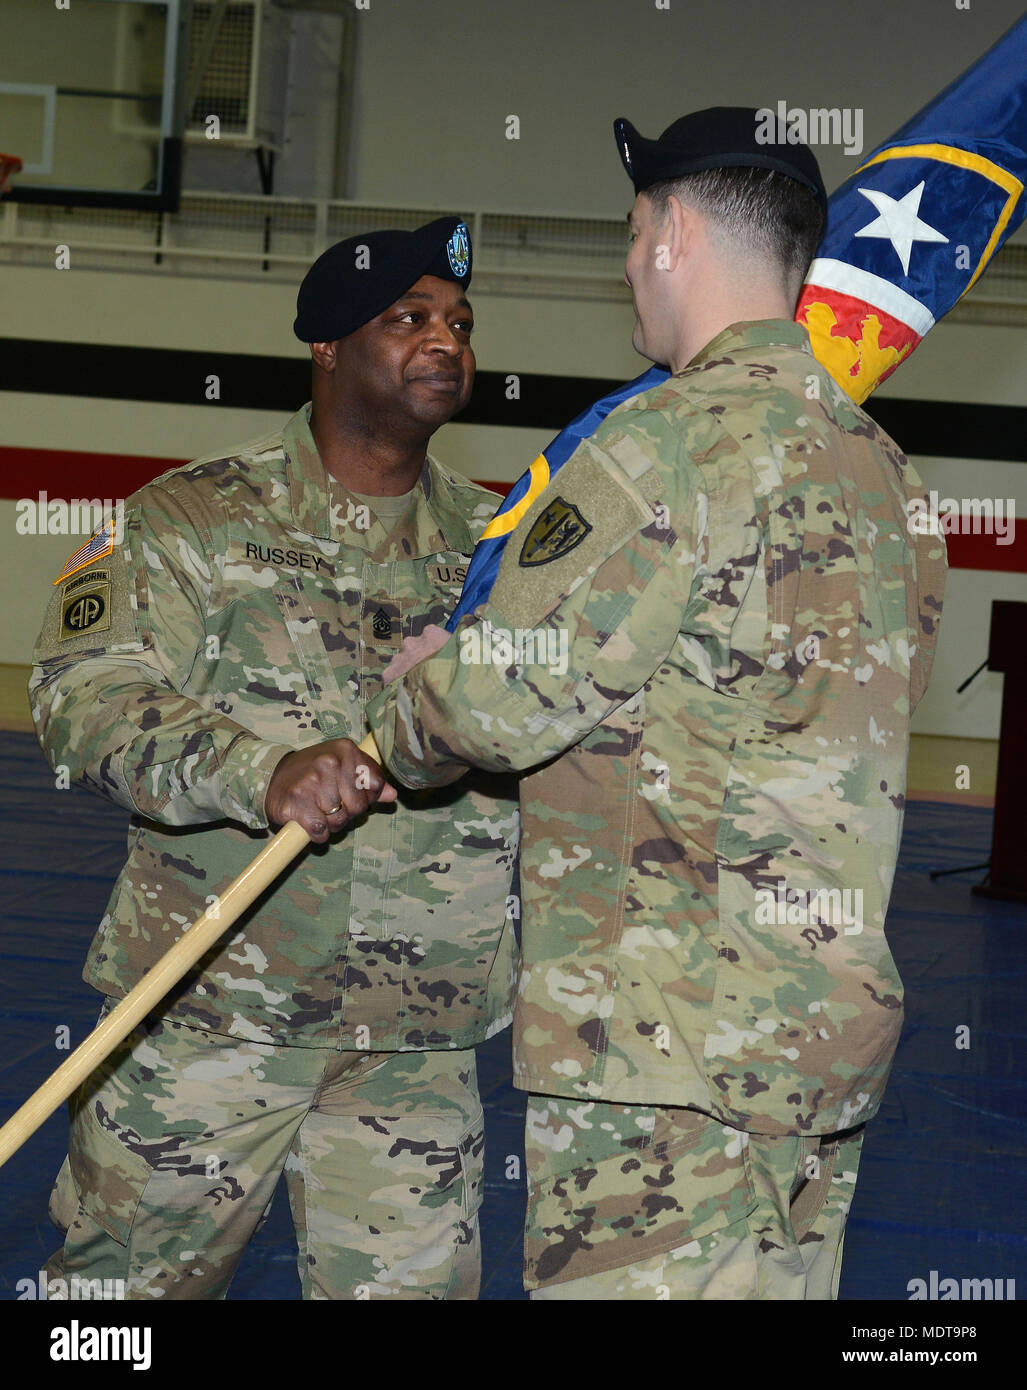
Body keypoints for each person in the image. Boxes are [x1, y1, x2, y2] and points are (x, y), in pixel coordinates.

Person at [366, 111, 948, 1300]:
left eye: (634, 236)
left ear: (673, 230)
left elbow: (507, 702)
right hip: (815, 1036)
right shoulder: (887, 472)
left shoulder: (658, 450)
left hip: (663, 1041)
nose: (628, 264)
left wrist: (419, 685)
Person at [29, 216, 519, 1300]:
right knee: (112, 1313)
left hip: (415, 1040)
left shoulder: (503, 556)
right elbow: (83, 700)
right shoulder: (189, 517)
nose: (445, 340)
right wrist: (261, 770)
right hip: (207, 1018)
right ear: (329, 344)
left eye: (459, 322)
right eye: (409, 318)